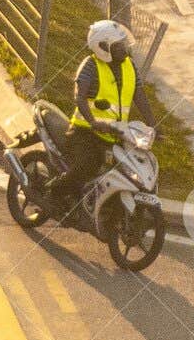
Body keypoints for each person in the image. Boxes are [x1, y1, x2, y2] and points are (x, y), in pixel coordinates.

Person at [46, 19, 156, 226]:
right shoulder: (90, 66)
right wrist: (92, 121)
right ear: (104, 48)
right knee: (87, 166)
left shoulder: (129, 65)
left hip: (116, 132)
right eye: (119, 46)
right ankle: (54, 192)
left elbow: (139, 95)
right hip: (85, 132)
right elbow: (80, 97)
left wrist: (153, 124)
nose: (125, 49)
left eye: (124, 43)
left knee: (130, 167)